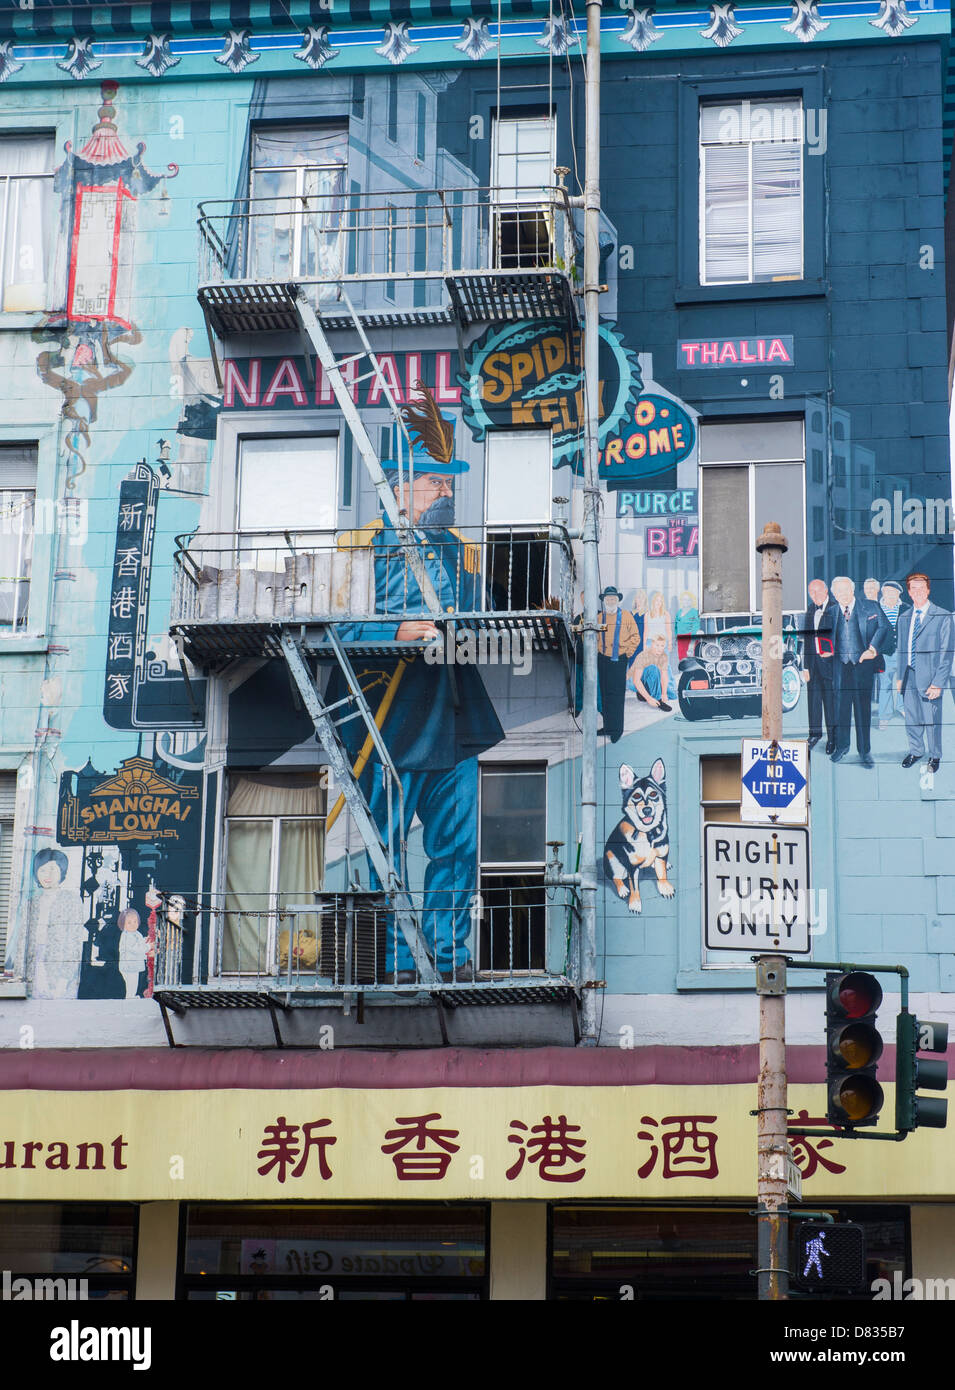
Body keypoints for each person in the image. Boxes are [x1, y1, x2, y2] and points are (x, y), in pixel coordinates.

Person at [333, 383, 504, 983]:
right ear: (399, 481)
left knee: (456, 849)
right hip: (386, 720)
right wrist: (395, 629)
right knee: (386, 855)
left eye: (449, 482)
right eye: (435, 480)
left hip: (451, 715)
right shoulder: (359, 546)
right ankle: (398, 961)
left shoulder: (457, 551)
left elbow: (483, 614)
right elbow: (331, 627)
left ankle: (452, 959)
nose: (445, 491)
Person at [829, 575, 890, 768]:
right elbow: (823, 636)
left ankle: (864, 751)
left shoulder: (870, 607)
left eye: (846, 590)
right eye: (838, 591)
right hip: (840, 666)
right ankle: (842, 747)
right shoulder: (831, 612)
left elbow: (883, 627)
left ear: (853, 590)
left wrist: (872, 649)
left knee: (863, 709)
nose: (843, 594)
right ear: (834, 594)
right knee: (841, 709)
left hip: (862, 665)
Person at [895, 572, 953, 773]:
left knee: (932, 721)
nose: (918, 592)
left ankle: (935, 755)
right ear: (909, 593)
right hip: (909, 674)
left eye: (922, 588)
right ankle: (916, 750)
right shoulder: (904, 618)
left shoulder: (942, 616)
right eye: (914, 589)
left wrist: (938, 683)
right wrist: (900, 677)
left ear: (928, 590)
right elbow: (902, 649)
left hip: (930, 679)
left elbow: (946, 653)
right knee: (911, 718)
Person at [28, 848, 86, 999]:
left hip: (58, 965)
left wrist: (64, 979)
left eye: (53, 869)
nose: (47, 875)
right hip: (35, 962)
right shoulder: (32, 902)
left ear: (62, 871)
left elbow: (74, 942)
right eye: (43, 870)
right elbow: (23, 940)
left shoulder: (71, 900)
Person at [597, 586, 641, 741]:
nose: (610, 601)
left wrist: (626, 653)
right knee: (605, 694)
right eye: (608, 598)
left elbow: (636, 637)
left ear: (617, 600)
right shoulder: (599, 617)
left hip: (619, 659)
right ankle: (607, 726)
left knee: (617, 695)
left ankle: (616, 730)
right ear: (604, 601)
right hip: (602, 659)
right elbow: (592, 637)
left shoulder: (627, 616)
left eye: (613, 598)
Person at [801, 578, 838, 753]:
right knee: (813, 702)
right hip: (813, 664)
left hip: (830, 665)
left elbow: (843, 637)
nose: (814, 595)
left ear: (826, 591)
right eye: (811, 592)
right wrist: (805, 667)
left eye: (817, 591)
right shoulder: (809, 610)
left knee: (830, 703)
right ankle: (815, 734)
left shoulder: (836, 609)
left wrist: (834, 652)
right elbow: (807, 640)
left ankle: (833, 738)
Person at [878, 580, 905, 727]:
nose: (890, 594)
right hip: (884, 654)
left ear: (898, 594)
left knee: (905, 683)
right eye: (887, 591)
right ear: (883, 592)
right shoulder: (877, 608)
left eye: (894, 592)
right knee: (886, 684)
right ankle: (884, 716)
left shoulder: (906, 608)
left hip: (902, 653)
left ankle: (903, 708)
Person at [628, 634, 672, 712]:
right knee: (653, 668)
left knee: (671, 695)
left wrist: (664, 693)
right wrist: (649, 699)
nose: (659, 648)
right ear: (652, 644)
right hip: (632, 681)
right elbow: (636, 680)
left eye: (662, 646)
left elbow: (664, 676)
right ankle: (658, 700)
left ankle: (643, 694)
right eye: (657, 645)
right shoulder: (643, 656)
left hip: (646, 680)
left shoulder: (663, 656)